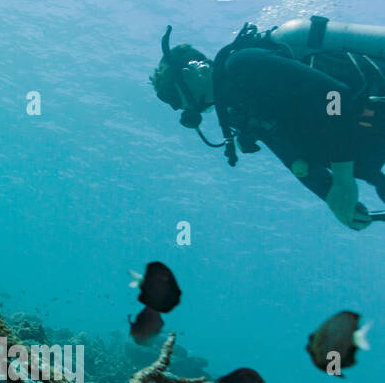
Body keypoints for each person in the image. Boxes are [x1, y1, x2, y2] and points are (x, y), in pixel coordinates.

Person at [150, 16, 385, 230]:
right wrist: (335, 200)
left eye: (173, 96)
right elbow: (296, 162)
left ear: (191, 72)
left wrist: (343, 180)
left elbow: (333, 95)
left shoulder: (243, 65)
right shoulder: (241, 112)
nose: (180, 108)